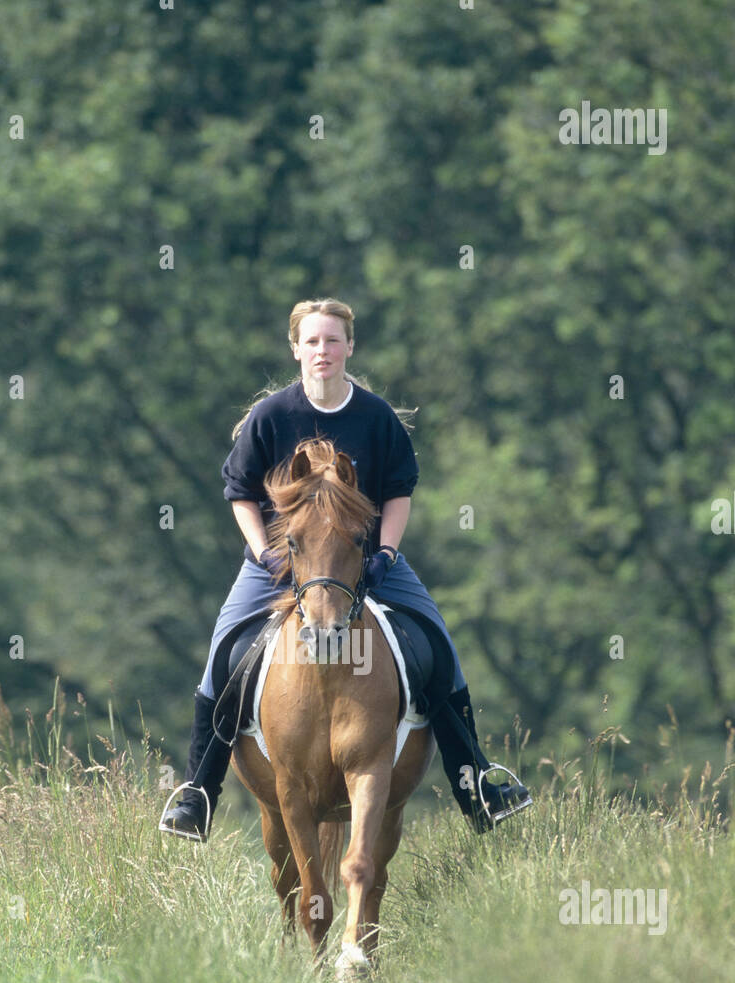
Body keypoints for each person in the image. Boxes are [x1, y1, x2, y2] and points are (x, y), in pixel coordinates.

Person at [161, 297, 531, 840]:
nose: (322, 351)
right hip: (277, 563)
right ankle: (198, 794)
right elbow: (239, 493)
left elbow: (399, 492)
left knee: (438, 648)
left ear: (350, 346)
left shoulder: (375, 416)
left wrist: (385, 553)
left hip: (366, 559)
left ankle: (477, 784)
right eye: (312, 341)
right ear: (295, 348)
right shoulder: (271, 417)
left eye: (333, 340)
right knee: (225, 656)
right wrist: (264, 551)